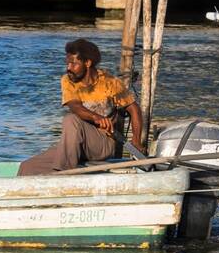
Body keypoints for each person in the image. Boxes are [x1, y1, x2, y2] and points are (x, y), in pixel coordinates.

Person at [18, 38, 144, 176]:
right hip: (76, 143)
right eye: (67, 63)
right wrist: (96, 117)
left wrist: (136, 140)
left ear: (88, 63)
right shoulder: (68, 81)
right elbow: (75, 106)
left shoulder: (110, 82)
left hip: (104, 144)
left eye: (73, 64)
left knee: (70, 120)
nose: (68, 68)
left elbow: (134, 109)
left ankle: (65, 174)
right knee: (27, 168)